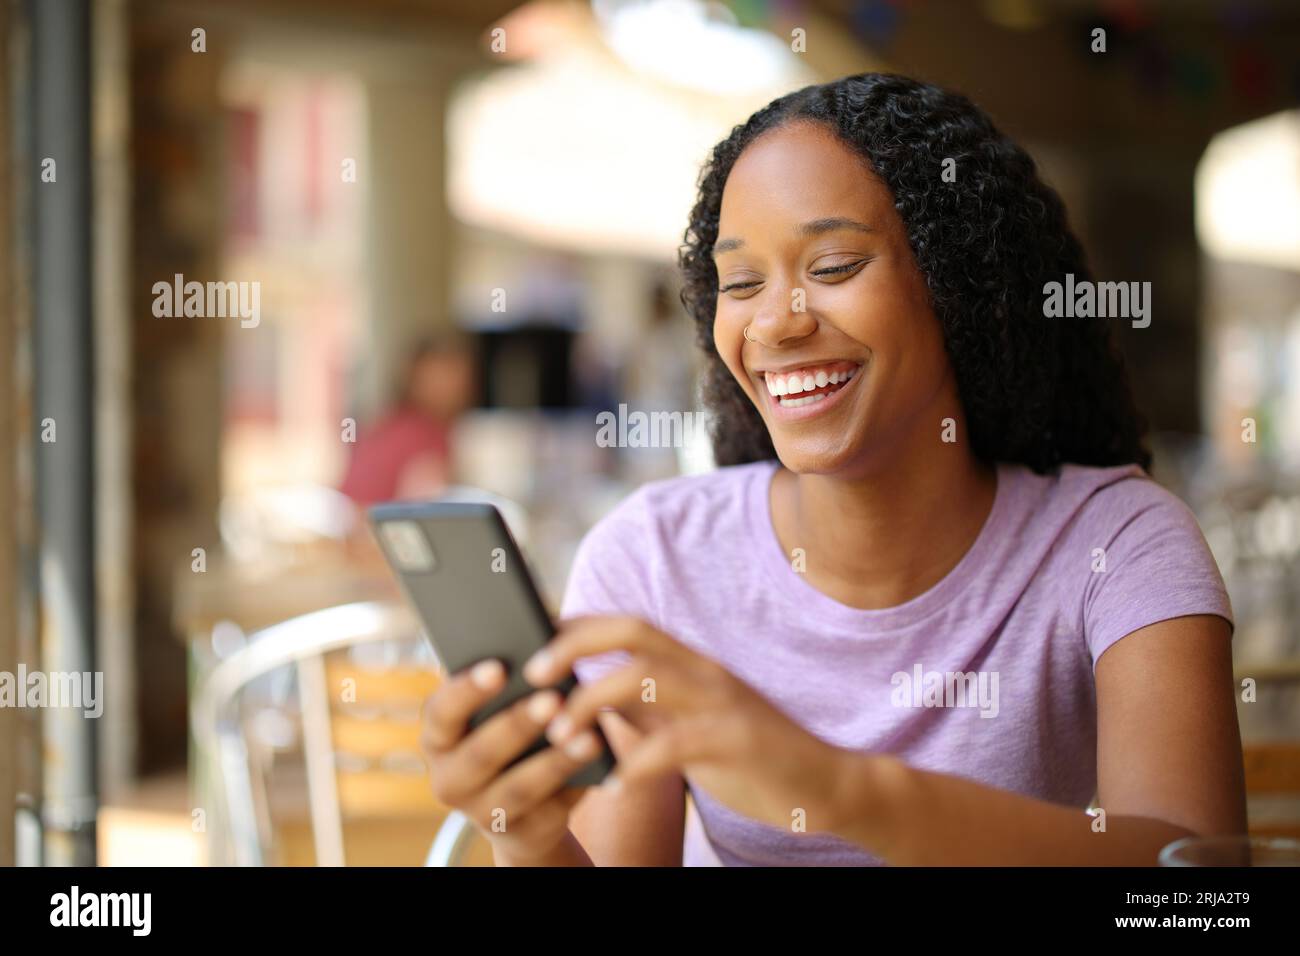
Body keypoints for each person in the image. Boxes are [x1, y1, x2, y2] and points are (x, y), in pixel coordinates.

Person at [418, 74, 1245, 865]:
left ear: (957, 285)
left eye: (834, 267)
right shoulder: (653, 560)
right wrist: (526, 839)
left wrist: (834, 786)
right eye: (740, 282)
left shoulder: (1118, 543)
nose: (777, 323)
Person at [339, 332, 476, 509]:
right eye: (443, 376)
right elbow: (425, 507)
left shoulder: (387, 421)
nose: (456, 386)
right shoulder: (424, 435)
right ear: (415, 379)